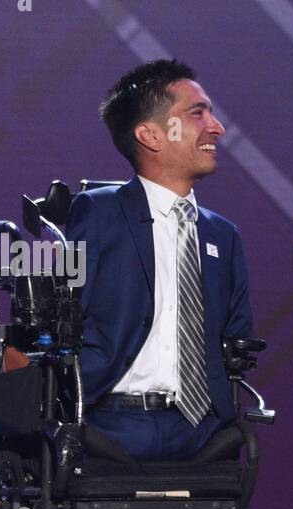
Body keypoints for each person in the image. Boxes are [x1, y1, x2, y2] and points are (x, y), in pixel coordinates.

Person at [68, 59, 254, 461]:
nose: (217, 127)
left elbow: (238, 335)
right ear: (150, 134)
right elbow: (65, 322)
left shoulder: (223, 234)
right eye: (197, 113)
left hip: (200, 429)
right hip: (113, 424)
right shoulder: (98, 213)